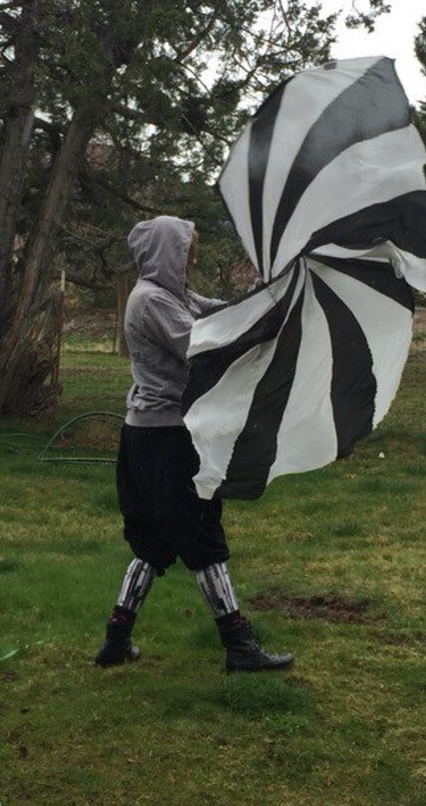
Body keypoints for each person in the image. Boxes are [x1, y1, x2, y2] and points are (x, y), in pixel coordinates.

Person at [94, 215, 293, 673]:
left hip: (149, 434)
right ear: (166, 252)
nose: (194, 258)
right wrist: (262, 331)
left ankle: (116, 639)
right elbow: (202, 344)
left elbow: (223, 313)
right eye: (187, 250)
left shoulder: (173, 296)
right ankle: (239, 644)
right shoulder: (151, 302)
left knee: (153, 544)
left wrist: (270, 291)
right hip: (165, 438)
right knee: (200, 534)